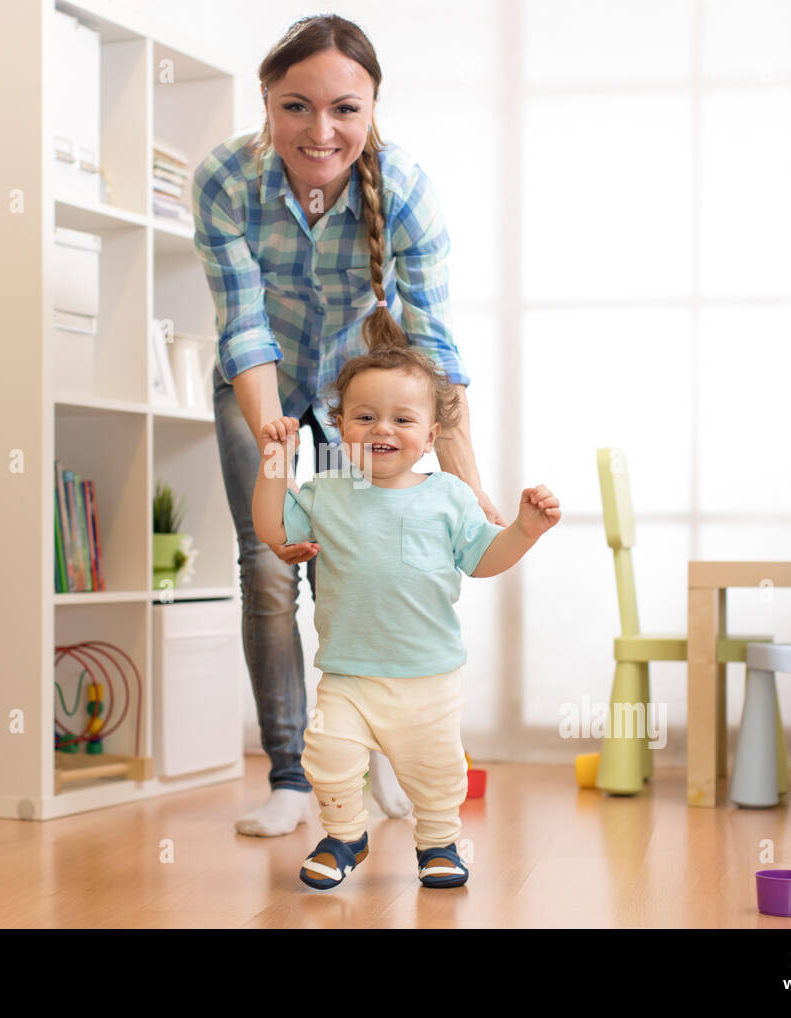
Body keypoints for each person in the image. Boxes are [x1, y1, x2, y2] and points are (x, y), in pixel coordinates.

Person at [192, 14, 505, 838]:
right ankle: (294, 776)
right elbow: (244, 326)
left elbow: (434, 350)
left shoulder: (403, 188)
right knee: (267, 566)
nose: (320, 131)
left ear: (371, 109)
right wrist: (275, 443)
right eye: (296, 106)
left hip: (363, 395)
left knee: (356, 562)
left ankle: (370, 754)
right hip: (258, 383)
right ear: (266, 99)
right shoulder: (226, 180)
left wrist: (470, 487)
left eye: (344, 109)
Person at [253, 344, 560, 888]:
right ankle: (345, 835)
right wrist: (276, 460)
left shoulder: (450, 497)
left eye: (402, 419)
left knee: (437, 771)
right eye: (365, 416)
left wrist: (523, 532)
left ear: (432, 435)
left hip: (429, 677)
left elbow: (483, 559)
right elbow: (274, 533)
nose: (382, 429)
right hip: (348, 673)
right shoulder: (326, 492)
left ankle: (439, 841)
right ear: (339, 425)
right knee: (328, 754)